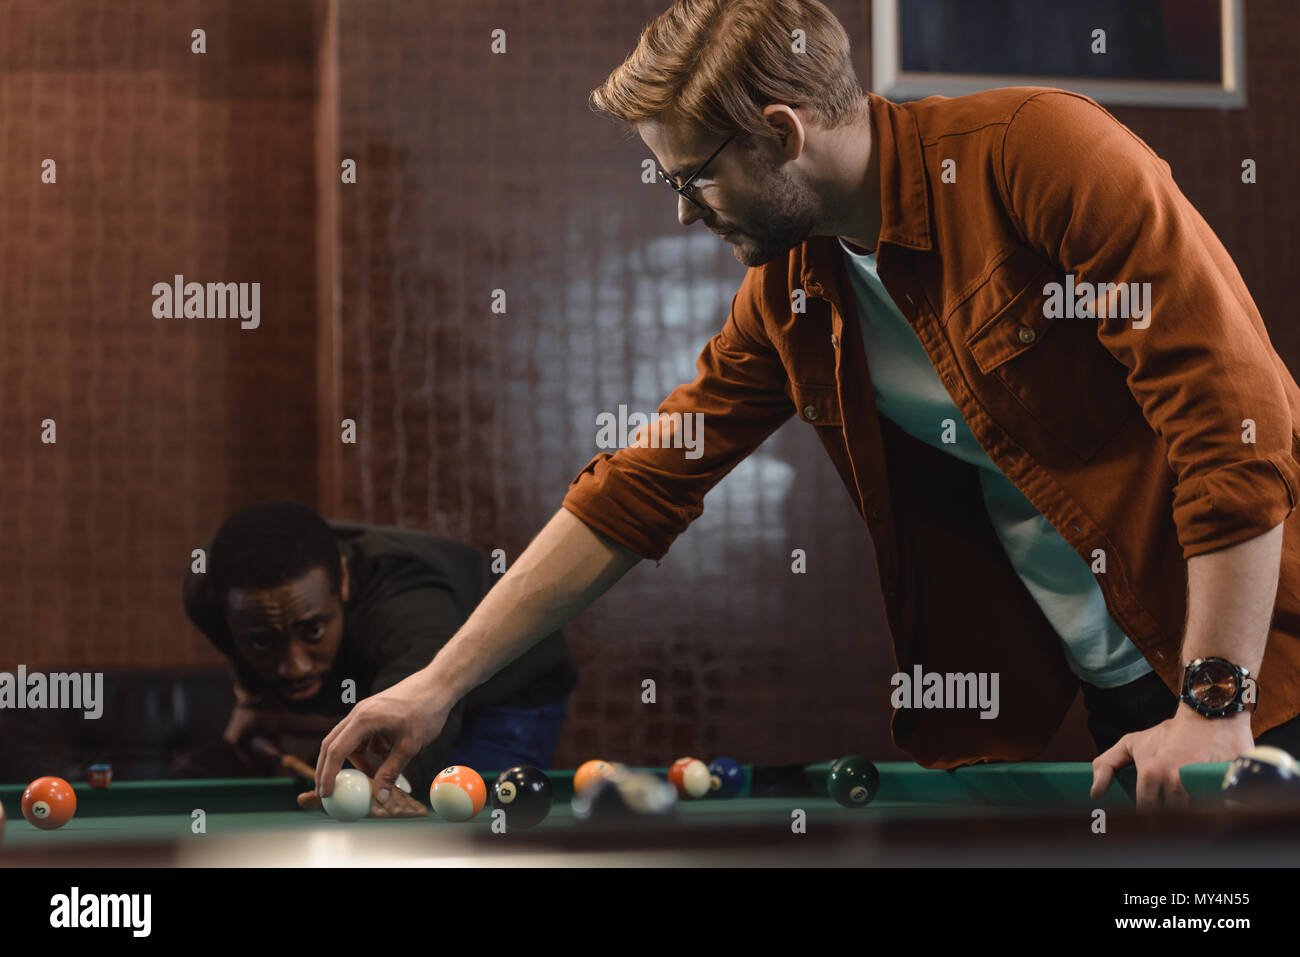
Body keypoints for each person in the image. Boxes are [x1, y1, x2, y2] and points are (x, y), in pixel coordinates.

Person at [316, 0, 1300, 810]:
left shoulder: (1041, 154)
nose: (681, 209)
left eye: (693, 178)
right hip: (1119, 685)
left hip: (1259, 663)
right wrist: (434, 685)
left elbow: (1234, 423)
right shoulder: (790, 293)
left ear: (780, 135)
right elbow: (638, 487)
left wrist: (1217, 699)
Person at [180, 501, 576, 794]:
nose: (295, 667)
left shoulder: (405, 604)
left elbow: (427, 700)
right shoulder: (207, 595)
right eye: (263, 641)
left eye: (313, 630)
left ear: (345, 581)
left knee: (454, 818)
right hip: (414, 678)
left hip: (509, 687)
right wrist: (252, 698)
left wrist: (390, 784)